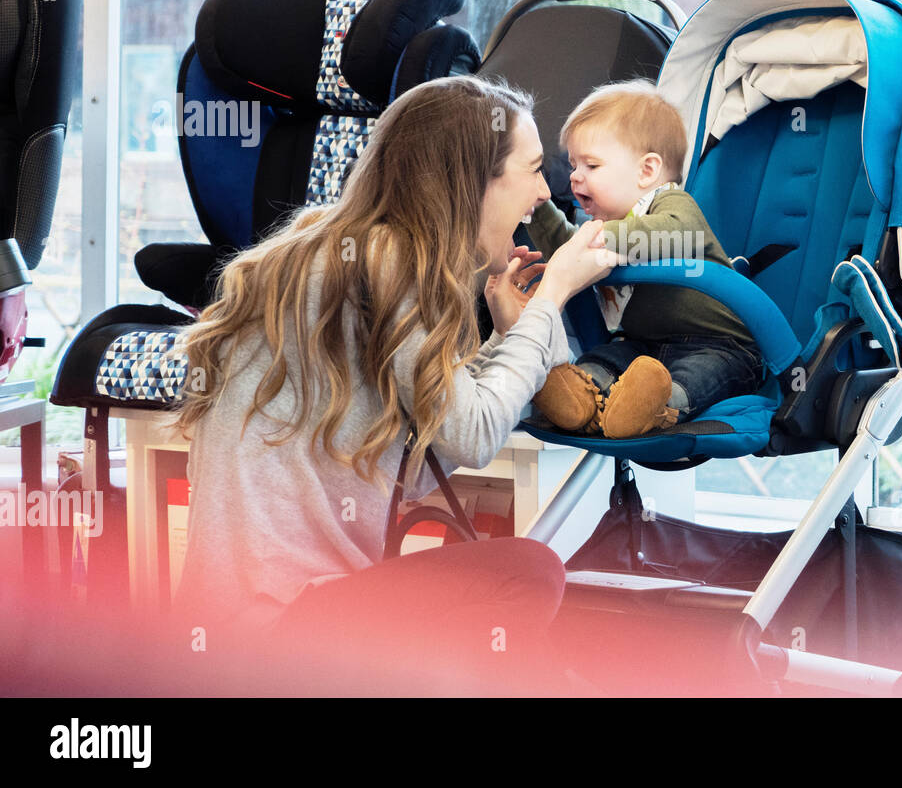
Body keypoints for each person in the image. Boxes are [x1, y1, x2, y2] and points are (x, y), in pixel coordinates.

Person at [165, 75, 614, 692]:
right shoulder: (388, 258)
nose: (544, 192)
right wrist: (553, 295)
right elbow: (475, 435)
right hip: (280, 631)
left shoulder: (344, 249)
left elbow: (415, 454)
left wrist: (506, 336)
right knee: (529, 570)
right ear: (472, 182)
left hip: (251, 634)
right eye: (533, 170)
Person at [525, 80, 764, 439]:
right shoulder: (604, 225)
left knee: (699, 375)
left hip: (718, 343)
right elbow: (568, 253)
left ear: (647, 171)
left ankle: (656, 406)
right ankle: (581, 398)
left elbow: (679, 232)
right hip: (641, 347)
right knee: (607, 361)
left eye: (591, 164)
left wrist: (605, 238)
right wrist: (541, 209)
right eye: (573, 165)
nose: (575, 176)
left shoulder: (672, 205)